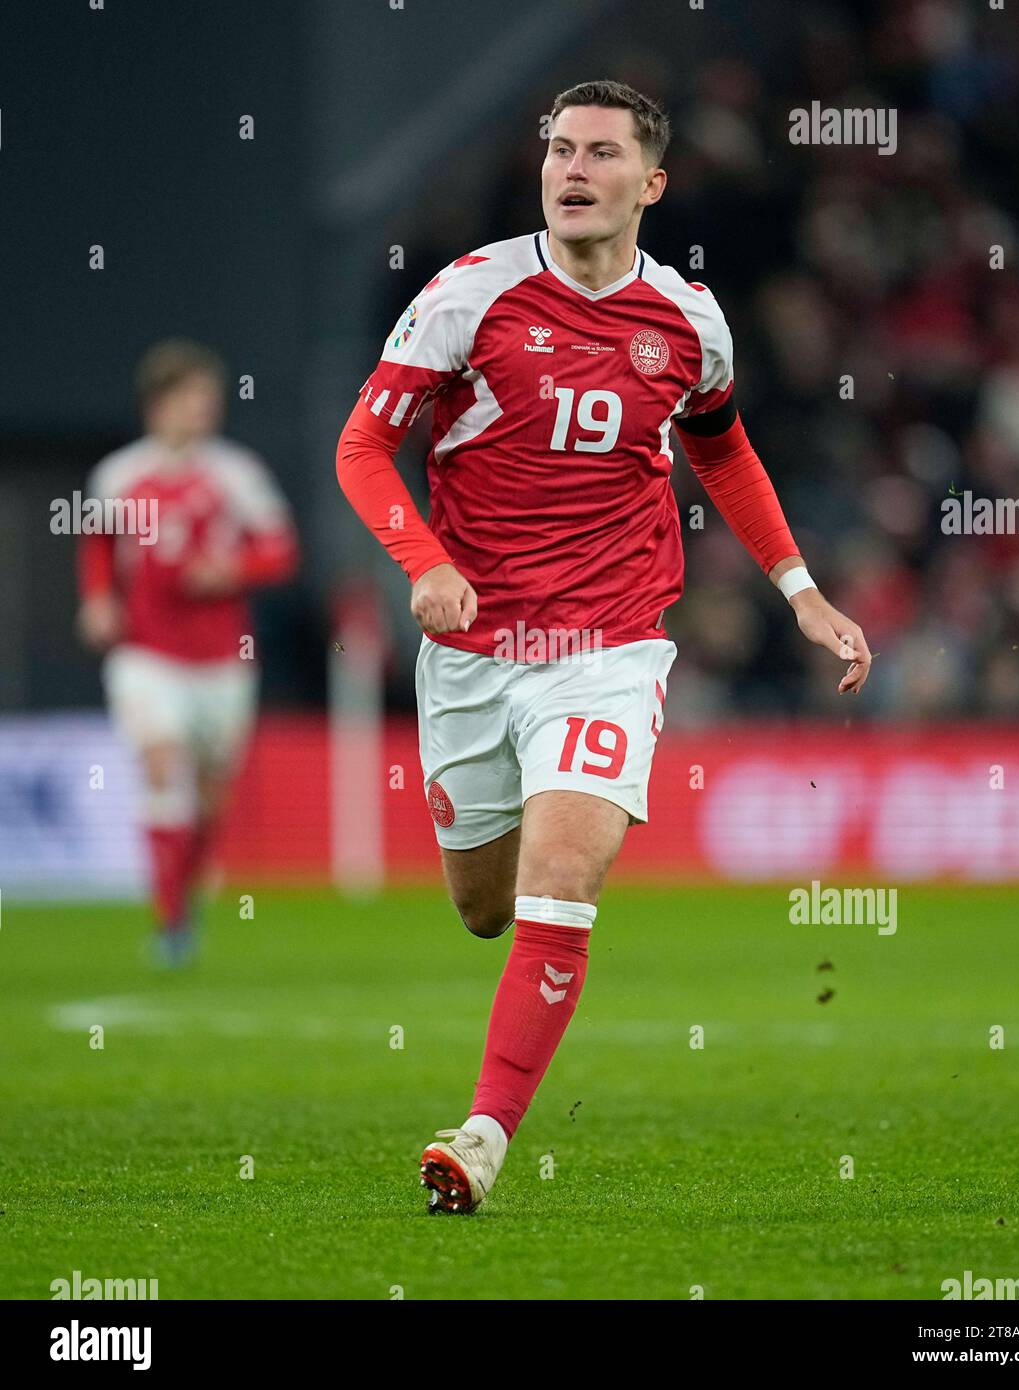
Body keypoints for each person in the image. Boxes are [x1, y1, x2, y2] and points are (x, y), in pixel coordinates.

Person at [336, 80, 871, 1212]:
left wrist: (799, 589)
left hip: (609, 644)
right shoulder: (469, 295)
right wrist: (424, 562)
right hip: (477, 652)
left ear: (650, 183)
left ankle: (482, 1133)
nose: (571, 169)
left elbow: (721, 453)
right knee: (484, 906)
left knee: (563, 871)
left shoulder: (689, 319)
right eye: (558, 150)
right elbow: (360, 450)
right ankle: (497, 1056)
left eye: (599, 153)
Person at [77, 339, 298, 966]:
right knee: (161, 765)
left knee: (207, 797)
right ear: (159, 402)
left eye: (210, 399)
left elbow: (281, 552)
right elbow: (97, 546)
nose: (203, 411)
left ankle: (185, 899)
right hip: (145, 654)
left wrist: (229, 570)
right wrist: (97, 600)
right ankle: (169, 923)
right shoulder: (119, 475)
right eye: (192, 398)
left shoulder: (237, 473)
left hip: (222, 660)